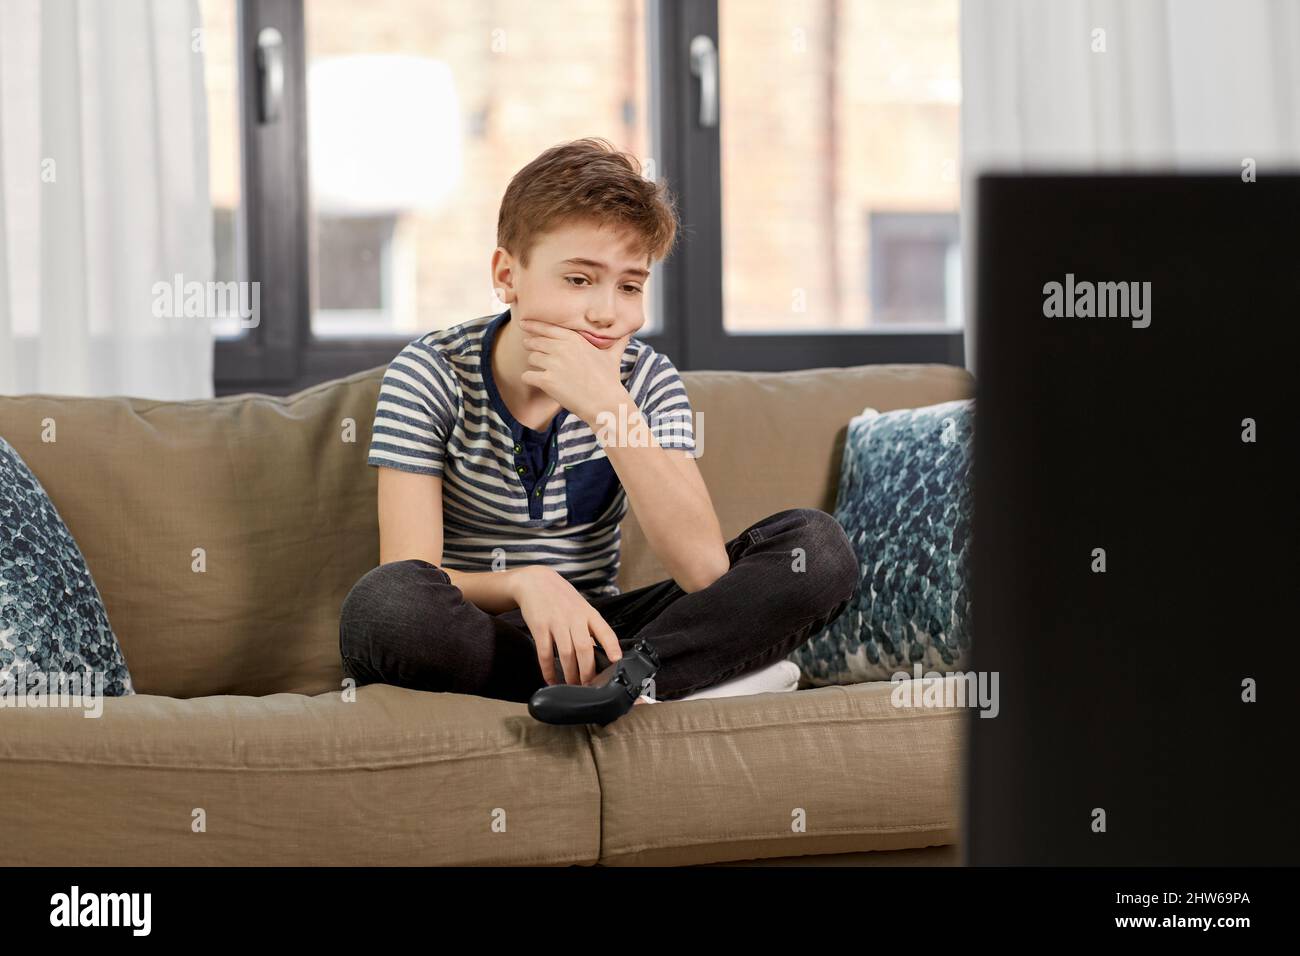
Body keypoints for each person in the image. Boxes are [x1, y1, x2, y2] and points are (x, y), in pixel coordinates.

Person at [339, 137, 857, 704]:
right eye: (579, 280)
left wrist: (607, 407)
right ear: (507, 275)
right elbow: (412, 568)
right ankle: (647, 684)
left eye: (630, 286)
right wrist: (525, 582)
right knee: (384, 606)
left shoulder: (646, 380)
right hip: (482, 629)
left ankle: (626, 680)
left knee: (819, 549)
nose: (607, 314)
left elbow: (705, 572)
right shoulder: (430, 373)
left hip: (609, 629)